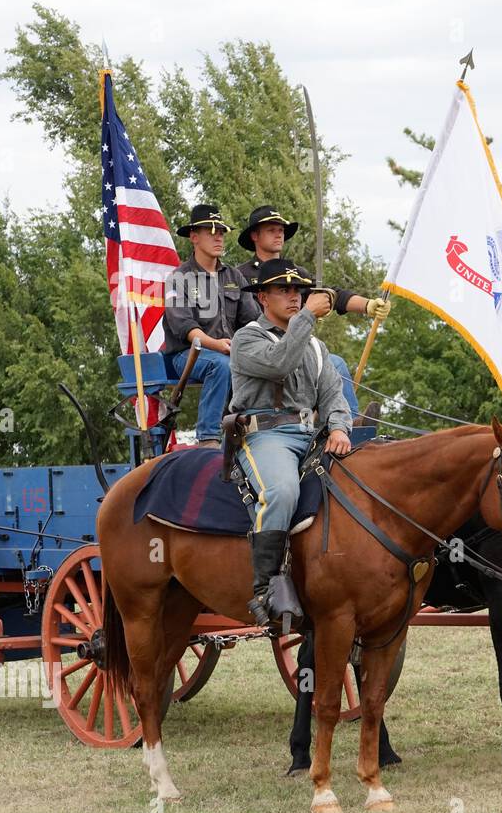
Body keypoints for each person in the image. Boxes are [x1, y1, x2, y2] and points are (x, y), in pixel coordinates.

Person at [229, 257, 352, 631]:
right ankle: (266, 588)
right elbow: (279, 364)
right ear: (263, 296)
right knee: (281, 492)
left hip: (311, 437)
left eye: (298, 290)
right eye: (283, 289)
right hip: (264, 436)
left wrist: (339, 428)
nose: (294, 297)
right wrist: (308, 319)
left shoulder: (315, 347)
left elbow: (333, 395)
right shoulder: (246, 338)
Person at [235, 204, 390, 417]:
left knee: (334, 362)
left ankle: (350, 424)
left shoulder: (297, 274)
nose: (279, 234)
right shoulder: (240, 275)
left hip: (297, 346)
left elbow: (330, 295)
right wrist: (306, 314)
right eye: (272, 230)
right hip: (258, 352)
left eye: (281, 230)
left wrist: (368, 305)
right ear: (255, 235)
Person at [162, 204, 258, 447]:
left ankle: (262, 429)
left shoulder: (234, 276)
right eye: (211, 231)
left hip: (230, 352)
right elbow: (184, 326)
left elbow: (252, 320)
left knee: (270, 362)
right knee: (221, 365)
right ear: (194, 237)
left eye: (222, 232)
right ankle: (208, 439)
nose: (218, 236)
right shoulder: (178, 277)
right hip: (188, 355)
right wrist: (217, 345)